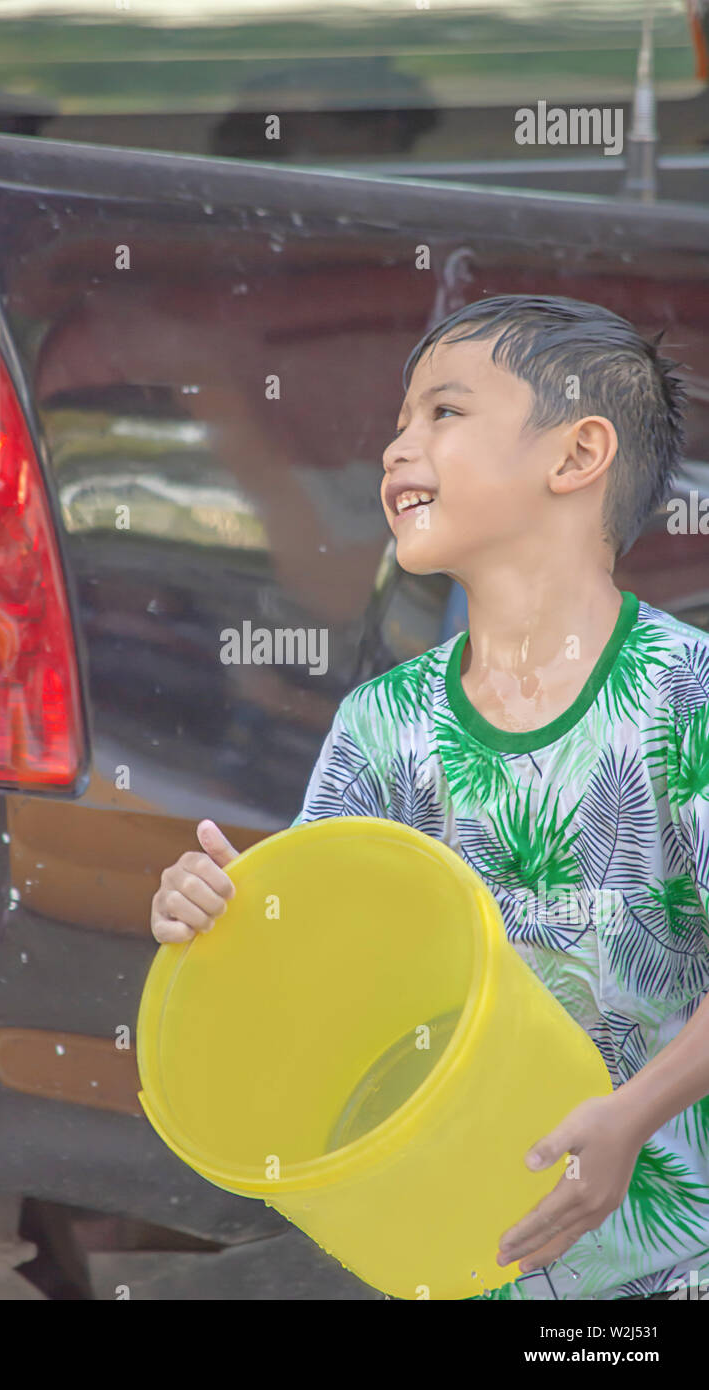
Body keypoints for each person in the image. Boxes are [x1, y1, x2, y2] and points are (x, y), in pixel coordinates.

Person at [150, 294, 709, 1302]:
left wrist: (630, 1117)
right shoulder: (385, 720)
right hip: (457, 1267)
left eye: (443, 414)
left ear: (577, 455)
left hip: (674, 1267)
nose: (397, 449)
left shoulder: (687, 697)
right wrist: (224, 916)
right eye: (400, 421)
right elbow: (327, 979)